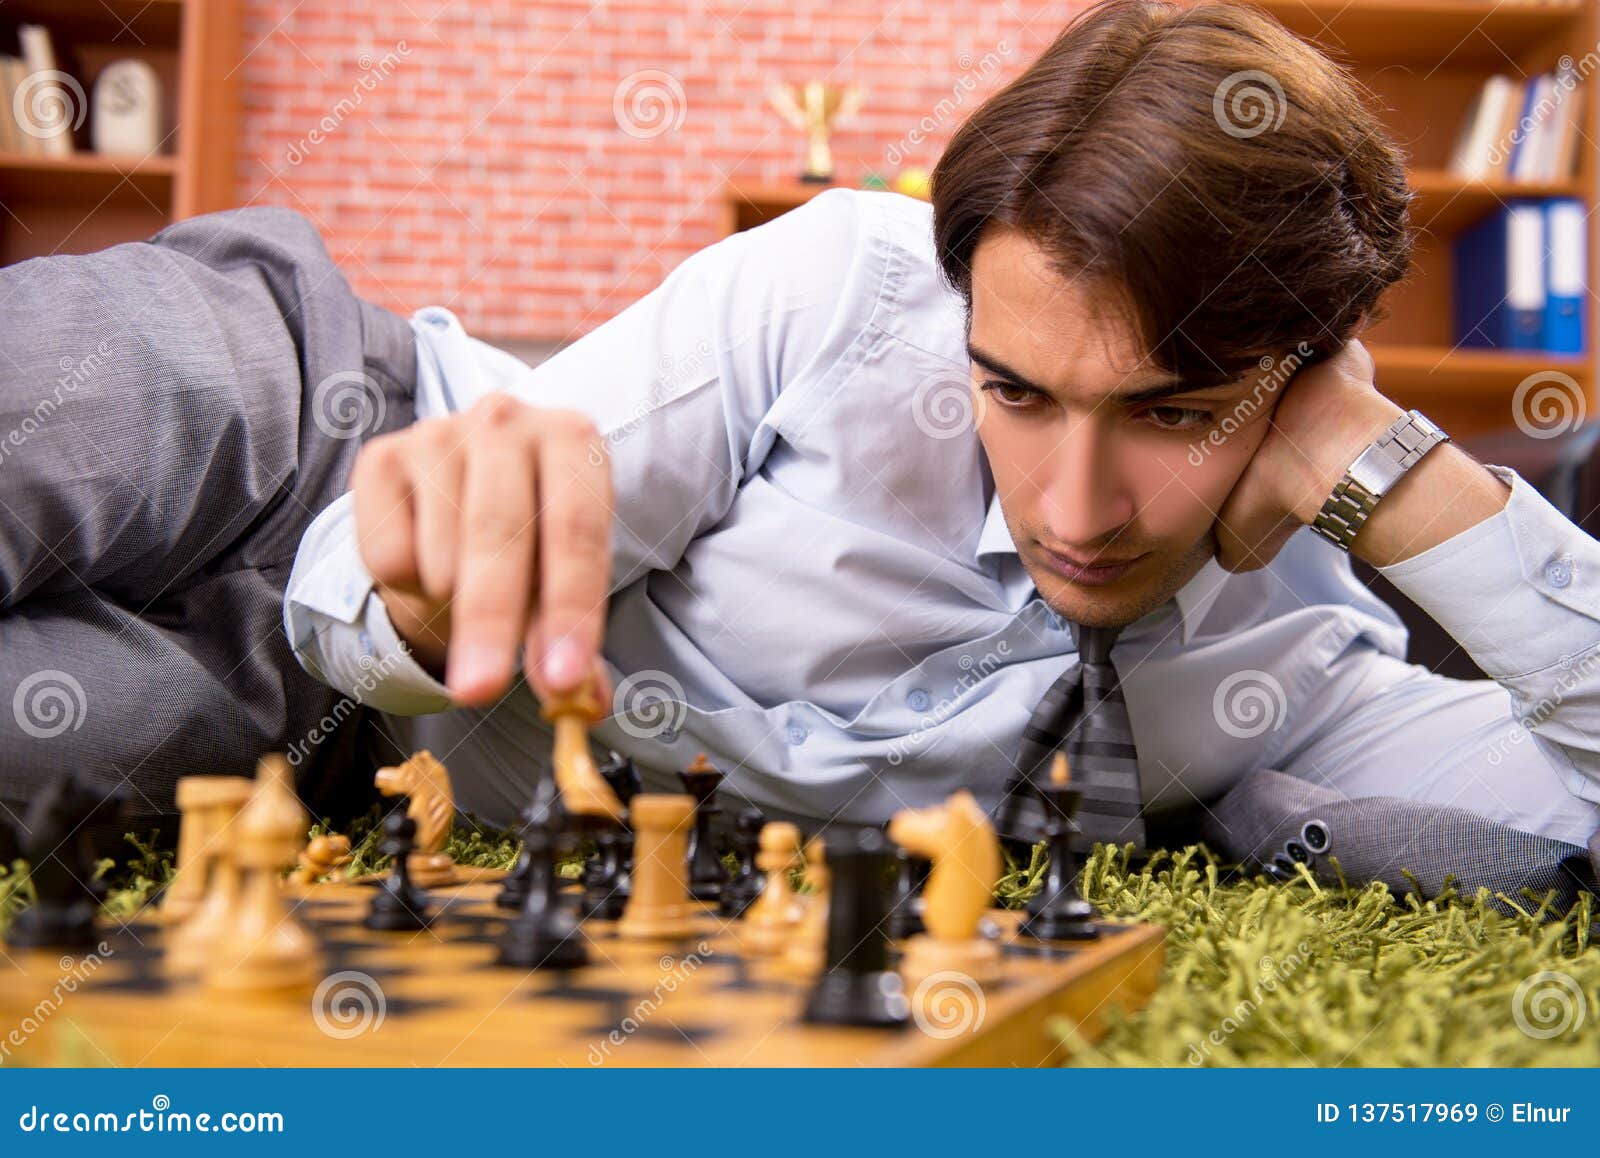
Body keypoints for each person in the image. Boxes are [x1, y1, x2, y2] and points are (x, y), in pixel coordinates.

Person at [3, 2, 1596, 897]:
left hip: (327, 737)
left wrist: (1390, 462)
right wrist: (421, 595)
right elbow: (361, 567)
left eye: (1176, 413)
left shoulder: (1293, 670)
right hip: (323, 417)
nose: (1076, 506)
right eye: (1018, 390)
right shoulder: (849, 289)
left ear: (1303, 381)